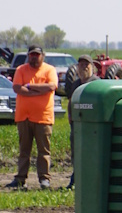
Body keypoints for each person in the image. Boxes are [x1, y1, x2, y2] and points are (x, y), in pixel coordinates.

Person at [8, 45, 58, 189]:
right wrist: (36, 91)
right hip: (24, 117)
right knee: (24, 150)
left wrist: (29, 86)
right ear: (28, 56)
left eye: (37, 54)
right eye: (31, 55)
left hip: (43, 118)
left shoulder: (50, 70)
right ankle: (20, 179)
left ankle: (44, 179)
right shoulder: (21, 69)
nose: (34, 57)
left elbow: (51, 86)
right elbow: (17, 88)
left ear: (42, 56)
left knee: (44, 151)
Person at [65, 54, 100, 188]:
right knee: (76, 151)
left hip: (91, 125)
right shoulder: (75, 83)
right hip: (76, 124)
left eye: (86, 64)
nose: (83, 67)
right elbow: (71, 101)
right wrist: (69, 115)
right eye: (81, 64)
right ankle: (76, 178)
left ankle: (88, 180)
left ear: (92, 67)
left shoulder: (96, 83)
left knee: (90, 153)